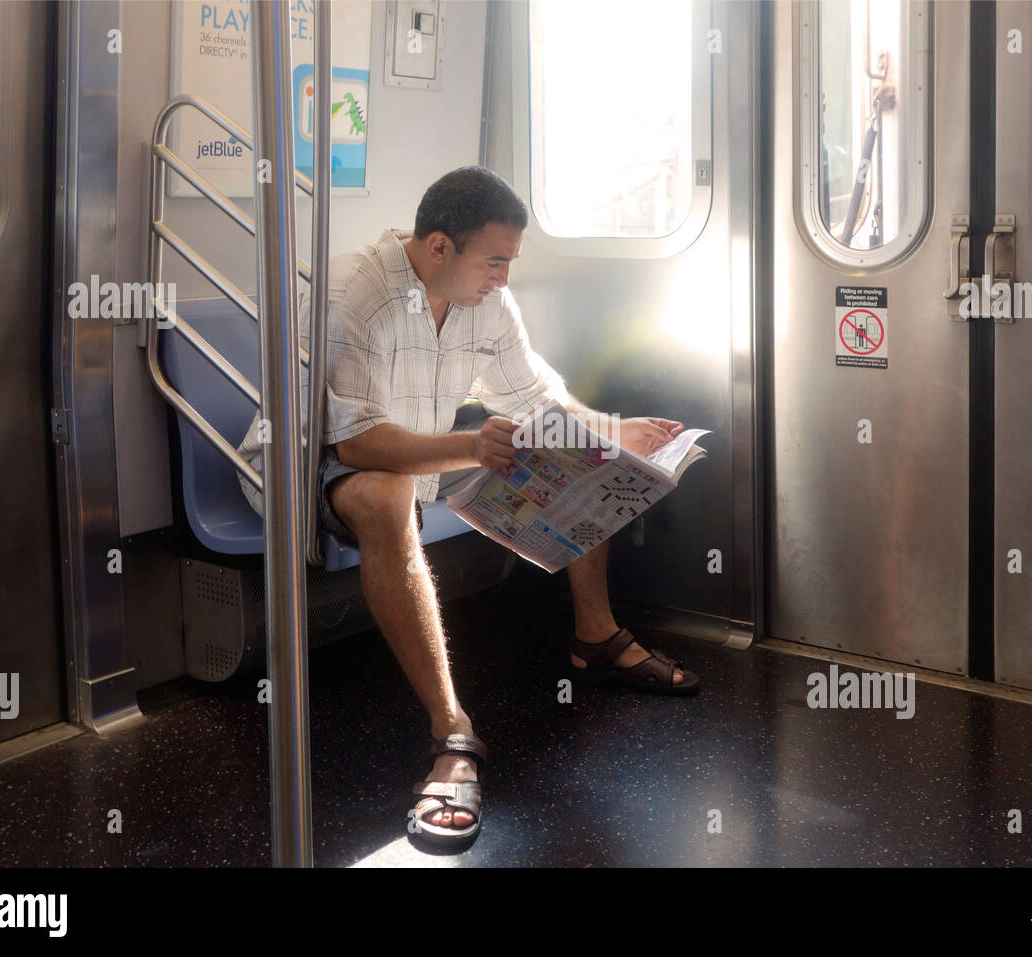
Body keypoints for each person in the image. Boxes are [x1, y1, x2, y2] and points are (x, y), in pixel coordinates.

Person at [236, 166, 700, 846]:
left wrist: (612, 430)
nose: (505, 278)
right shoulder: (354, 292)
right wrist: (470, 447)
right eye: (496, 260)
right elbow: (360, 443)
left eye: (511, 262)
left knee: (573, 451)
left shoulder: (485, 299)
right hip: (307, 462)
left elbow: (537, 401)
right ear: (438, 247)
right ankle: (451, 729)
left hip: (415, 450)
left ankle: (594, 638)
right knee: (389, 492)